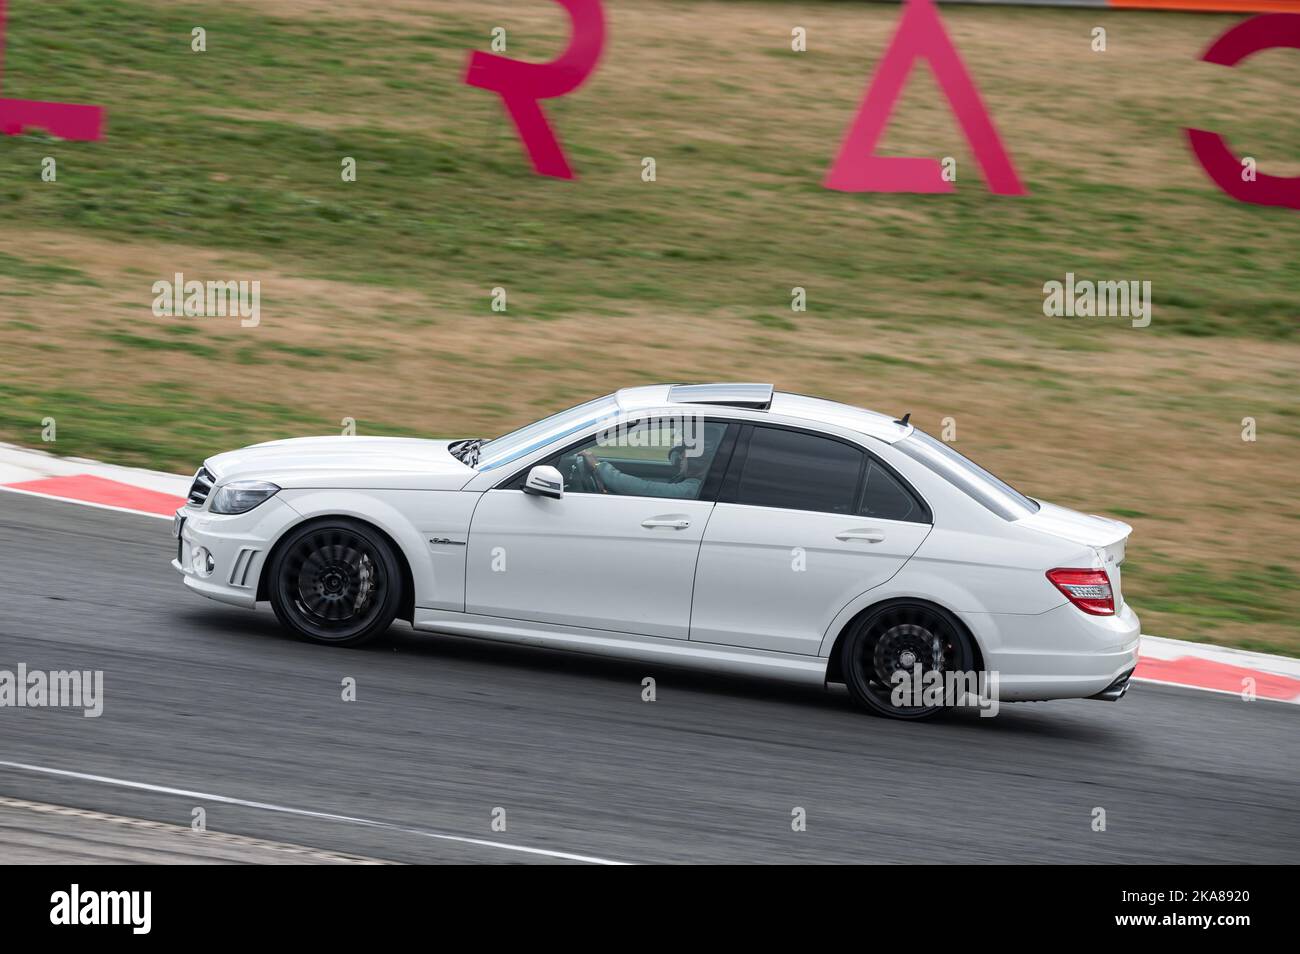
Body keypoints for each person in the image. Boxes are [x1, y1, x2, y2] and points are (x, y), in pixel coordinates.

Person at [578, 443, 706, 499]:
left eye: (685, 452)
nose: (680, 456)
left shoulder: (695, 489)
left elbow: (646, 488)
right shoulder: (692, 482)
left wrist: (598, 466)